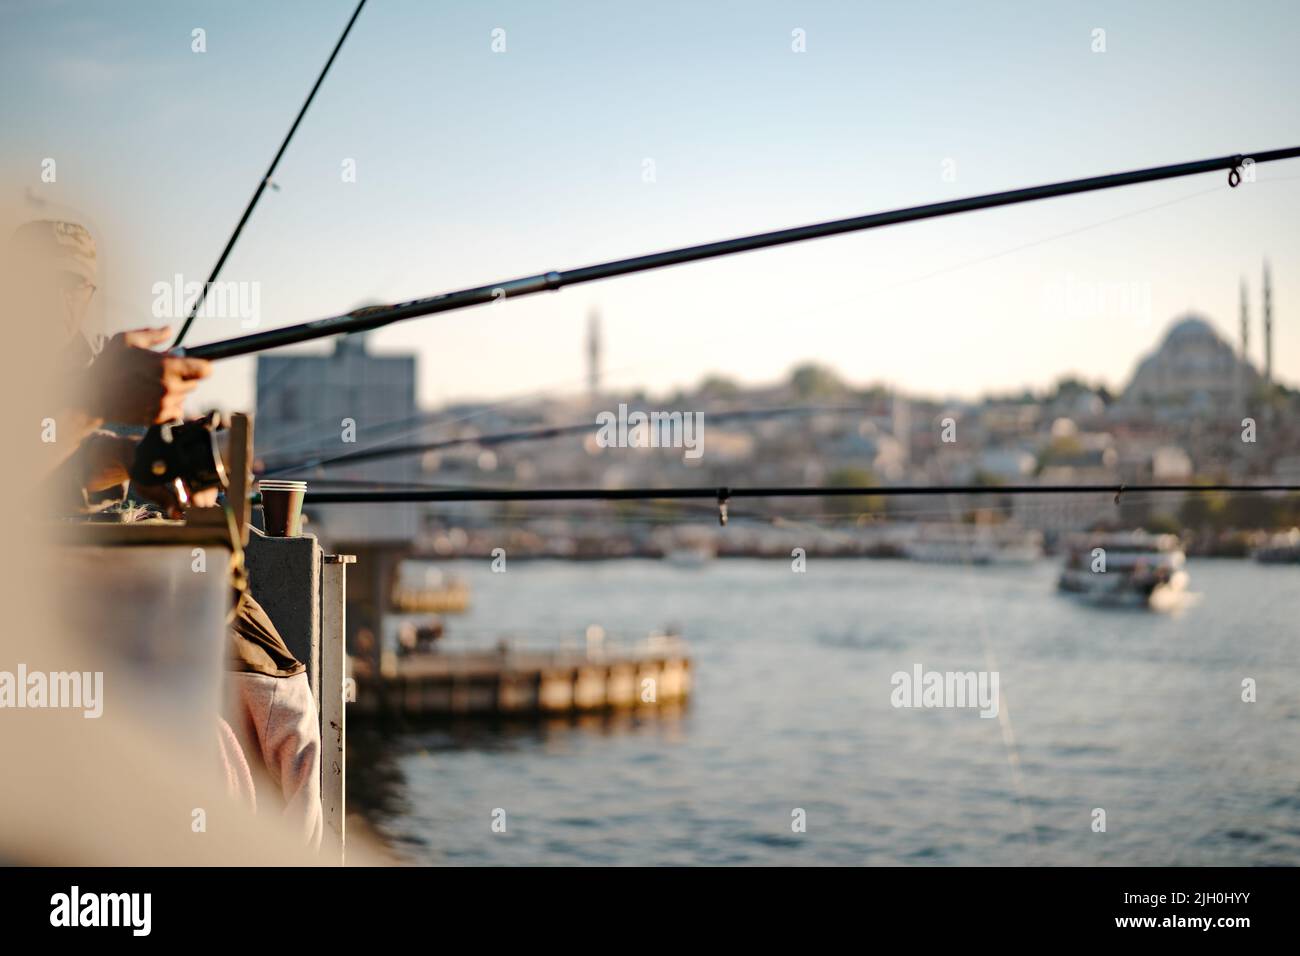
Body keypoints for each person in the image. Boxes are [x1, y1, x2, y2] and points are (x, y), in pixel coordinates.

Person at [16, 219, 322, 849]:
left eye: (74, 287)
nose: (60, 303)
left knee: (281, 698)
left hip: (118, 579)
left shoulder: (88, 360)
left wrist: (145, 465)